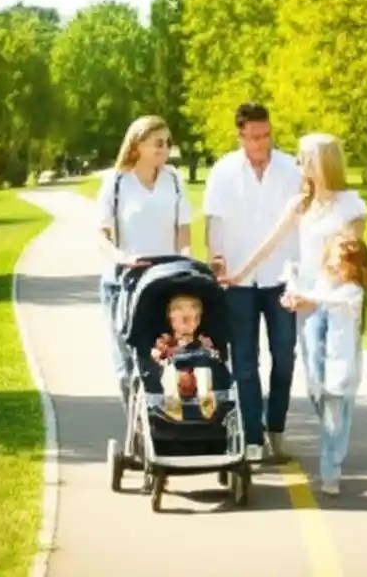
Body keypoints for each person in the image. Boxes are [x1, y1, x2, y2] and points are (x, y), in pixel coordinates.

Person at [220, 132, 367, 465]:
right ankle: (334, 432)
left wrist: (319, 295)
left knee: (336, 384)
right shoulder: (299, 204)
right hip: (306, 305)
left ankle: (332, 460)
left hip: (339, 303)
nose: (299, 165)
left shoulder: (351, 205)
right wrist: (239, 274)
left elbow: (347, 260)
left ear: (323, 161)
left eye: (305, 158)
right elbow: (270, 243)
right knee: (317, 385)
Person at [204, 102, 303, 463]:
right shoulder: (224, 171)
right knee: (245, 361)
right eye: (255, 137)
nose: (262, 144)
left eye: (267, 135)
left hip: (282, 278)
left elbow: (304, 222)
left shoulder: (291, 168)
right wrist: (216, 258)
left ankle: (275, 425)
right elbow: (214, 223)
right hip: (238, 282)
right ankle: (252, 437)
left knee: (285, 356)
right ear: (241, 135)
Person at [96, 115, 193, 409]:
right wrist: (123, 259)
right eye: (157, 144)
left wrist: (185, 259)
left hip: (164, 283)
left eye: (167, 144)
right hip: (123, 283)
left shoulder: (174, 180)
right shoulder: (116, 182)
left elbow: (184, 230)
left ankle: (168, 423)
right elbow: (102, 235)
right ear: (137, 145)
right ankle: (137, 429)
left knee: (166, 358)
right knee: (128, 366)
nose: (164, 150)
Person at [283, 233, 367, 495]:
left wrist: (304, 297)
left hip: (341, 371)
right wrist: (292, 296)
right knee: (328, 415)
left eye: (341, 265)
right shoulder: (325, 284)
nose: (335, 269)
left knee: (336, 421)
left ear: (355, 268)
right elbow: (311, 297)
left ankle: (330, 471)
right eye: (332, 263)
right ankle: (334, 455)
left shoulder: (353, 292)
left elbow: (323, 299)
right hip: (319, 366)